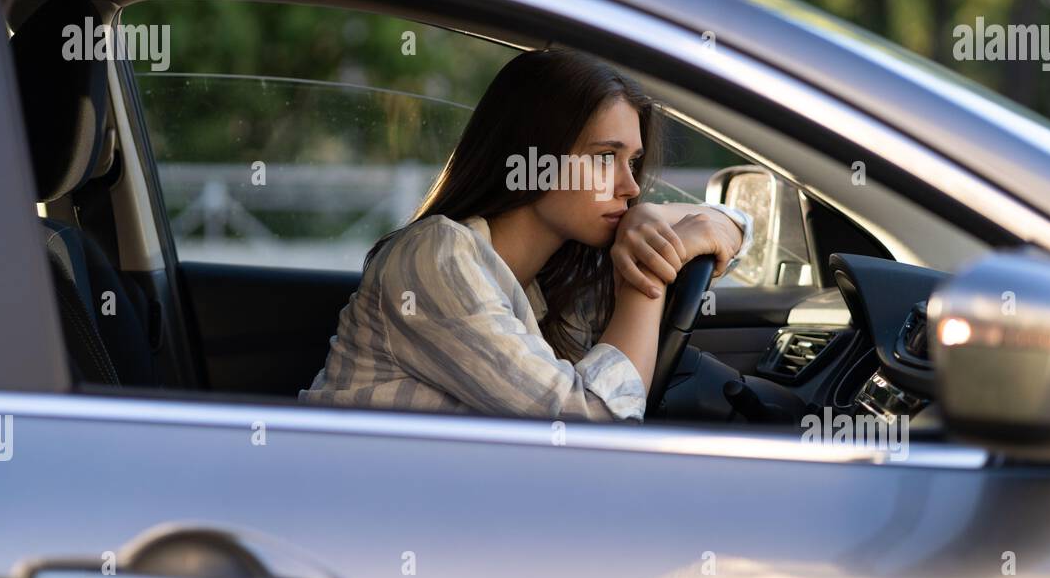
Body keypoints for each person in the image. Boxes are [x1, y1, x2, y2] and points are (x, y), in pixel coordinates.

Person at [300, 48, 752, 422]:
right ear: (533, 159)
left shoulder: (557, 275)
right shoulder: (436, 257)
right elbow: (591, 425)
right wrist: (647, 275)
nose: (629, 187)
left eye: (631, 162)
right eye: (603, 159)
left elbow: (734, 229)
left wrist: (652, 219)